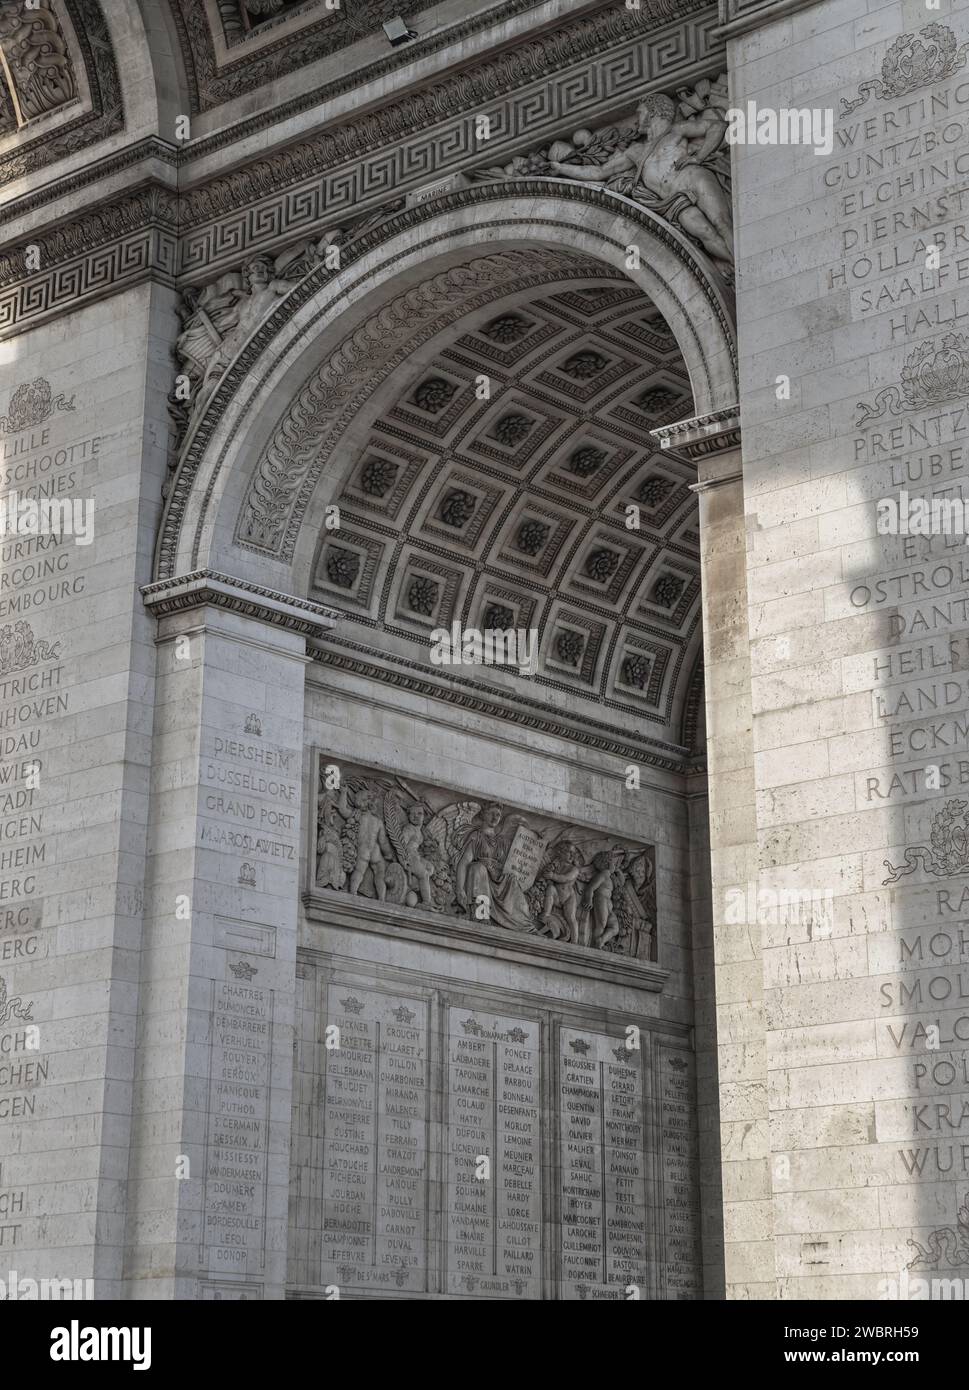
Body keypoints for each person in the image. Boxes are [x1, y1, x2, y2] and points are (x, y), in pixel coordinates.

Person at [549, 94, 733, 272]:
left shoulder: (676, 130)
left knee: (722, 223)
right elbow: (599, 172)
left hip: (694, 178)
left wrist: (699, 157)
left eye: (640, 112)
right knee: (705, 232)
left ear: (653, 112)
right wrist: (560, 168)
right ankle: (738, 265)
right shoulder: (636, 152)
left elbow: (717, 126)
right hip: (673, 203)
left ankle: (746, 266)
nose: (637, 118)